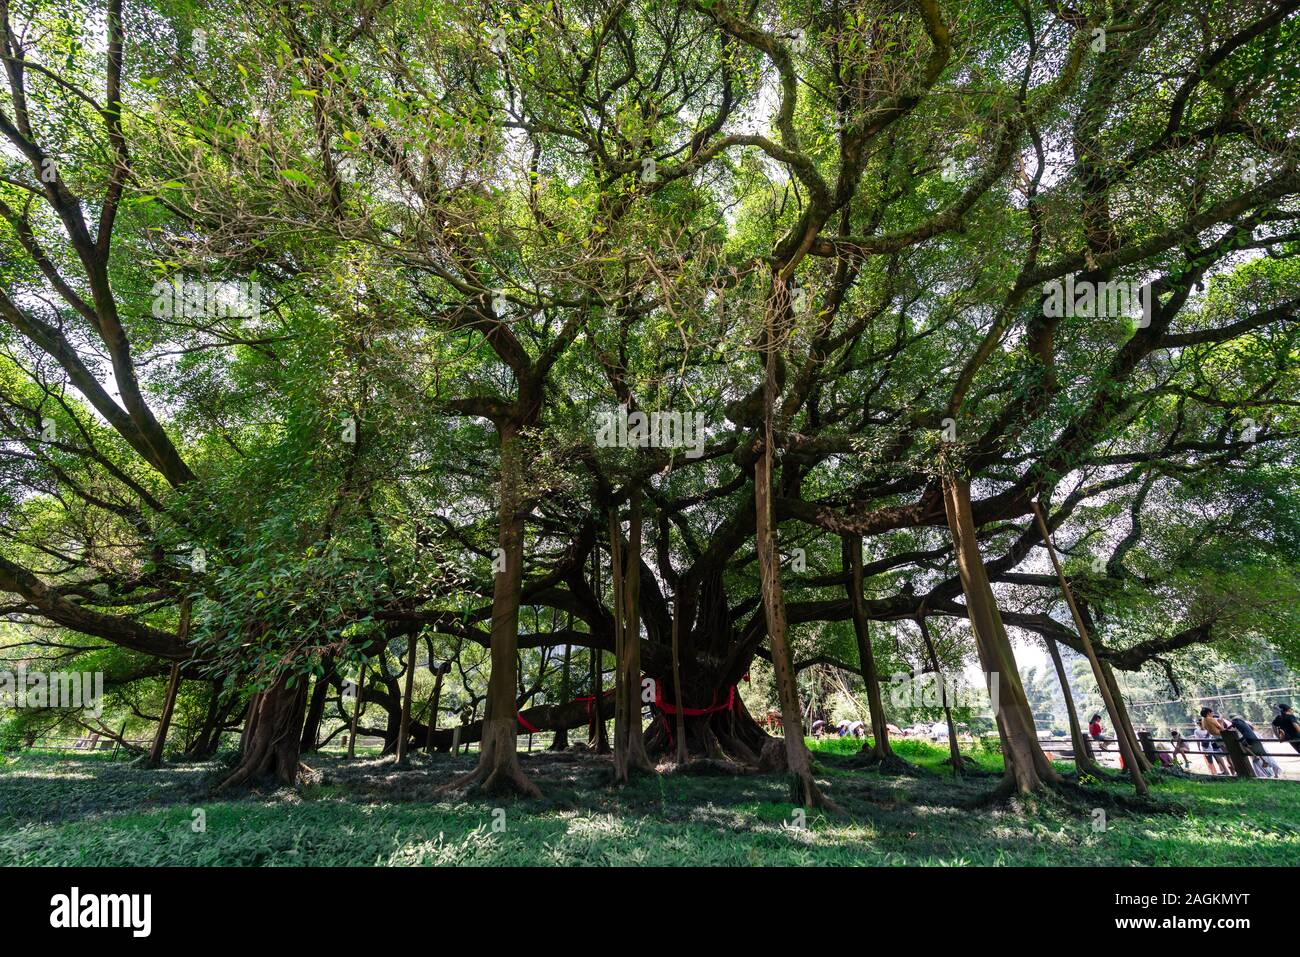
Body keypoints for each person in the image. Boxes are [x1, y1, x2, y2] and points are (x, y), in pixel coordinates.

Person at [1195, 709, 1231, 775]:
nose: (1212, 714)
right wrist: (1221, 722)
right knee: (1230, 754)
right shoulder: (1211, 719)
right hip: (1221, 737)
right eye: (1212, 712)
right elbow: (1221, 728)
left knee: (1226, 755)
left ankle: (1227, 771)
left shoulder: (1204, 720)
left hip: (1215, 738)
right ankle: (1233, 771)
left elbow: (1207, 729)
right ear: (1208, 713)